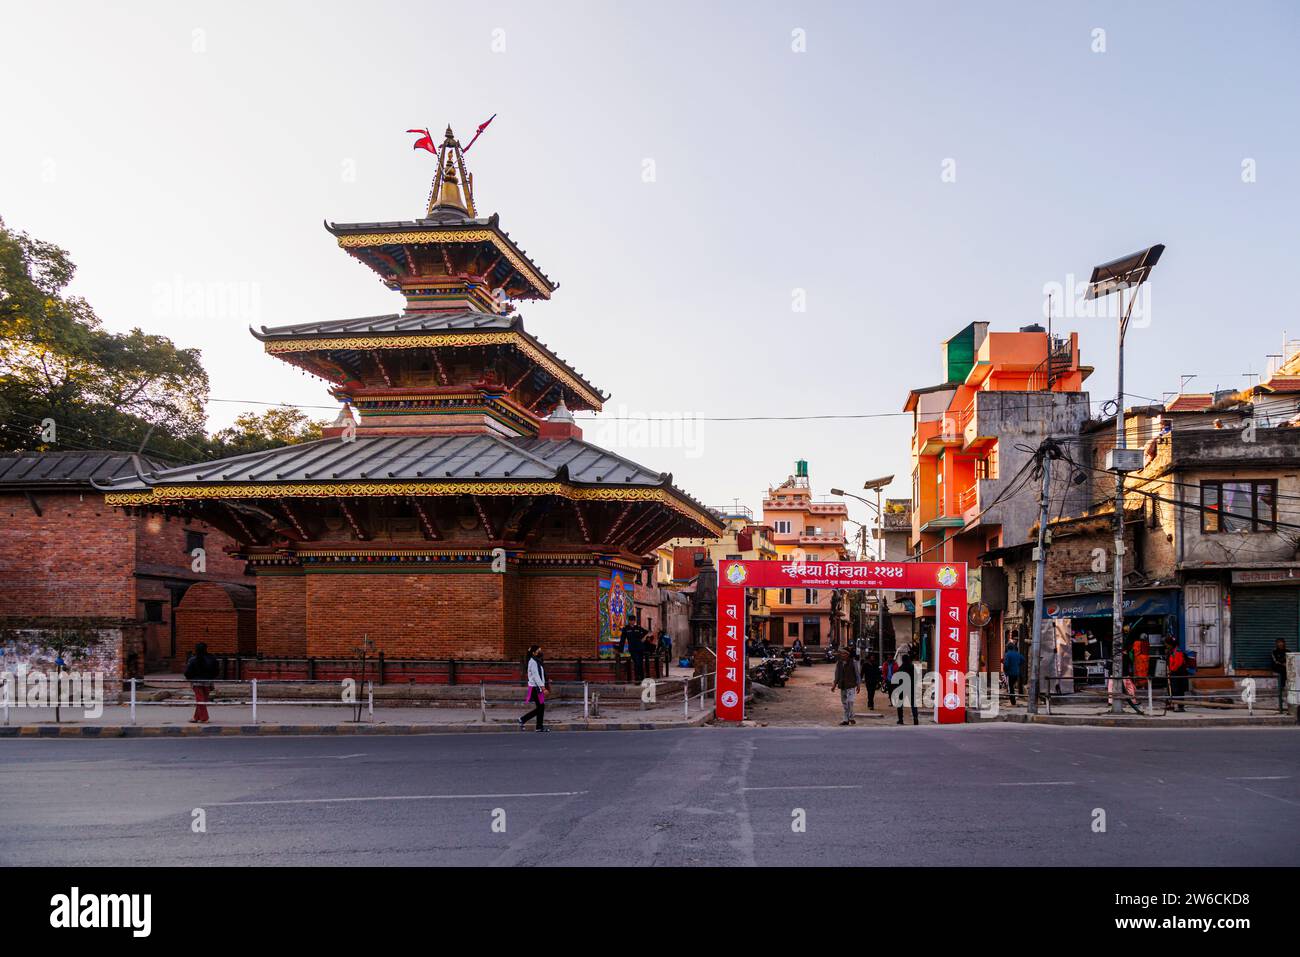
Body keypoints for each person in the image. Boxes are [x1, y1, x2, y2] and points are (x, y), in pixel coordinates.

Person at [183, 642, 218, 724]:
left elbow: (188, 672)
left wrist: (190, 678)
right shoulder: (212, 658)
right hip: (208, 682)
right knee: (202, 700)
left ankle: (204, 718)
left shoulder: (193, 659)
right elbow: (216, 671)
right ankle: (196, 717)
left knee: (200, 700)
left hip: (196, 682)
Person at [518, 645, 551, 731]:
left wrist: (546, 680)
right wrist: (543, 688)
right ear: (533, 653)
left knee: (541, 707)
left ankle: (539, 727)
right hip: (535, 688)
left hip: (538, 687)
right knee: (541, 707)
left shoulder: (537, 661)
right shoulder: (532, 662)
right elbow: (536, 676)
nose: (541, 652)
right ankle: (523, 719)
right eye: (539, 650)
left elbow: (540, 675)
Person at [831, 648, 860, 725]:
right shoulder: (839, 663)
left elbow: (857, 674)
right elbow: (837, 675)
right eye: (842, 653)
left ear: (848, 654)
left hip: (851, 685)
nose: (842, 655)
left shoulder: (853, 662)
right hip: (842, 685)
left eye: (844, 653)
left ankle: (850, 717)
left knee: (850, 702)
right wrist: (834, 685)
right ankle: (846, 720)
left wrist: (858, 685)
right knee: (844, 703)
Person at [893, 647, 919, 725]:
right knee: (913, 704)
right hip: (911, 688)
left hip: (902, 688)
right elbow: (916, 677)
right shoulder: (912, 667)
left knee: (900, 704)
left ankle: (900, 719)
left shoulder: (901, 668)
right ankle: (915, 719)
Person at [1164, 637, 1189, 713]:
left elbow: (1178, 664)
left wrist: (1171, 671)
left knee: (1178, 690)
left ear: (1171, 644)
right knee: (1172, 689)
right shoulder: (1171, 651)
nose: (1166, 645)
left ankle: (1180, 706)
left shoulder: (1178, 651)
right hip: (1173, 674)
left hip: (1179, 674)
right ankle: (1172, 704)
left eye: (1167, 644)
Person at [1002, 640, 1025, 707]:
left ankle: (1013, 702)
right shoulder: (1017, 653)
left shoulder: (1008, 654)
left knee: (1010, 687)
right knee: (1012, 686)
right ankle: (1013, 701)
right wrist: (1018, 664)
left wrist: (1005, 671)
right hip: (1016, 673)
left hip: (1010, 673)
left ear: (1007, 648)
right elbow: (1023, 659)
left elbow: (1006, 664)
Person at [1271, 638, 1290, 713]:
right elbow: (1275, 660)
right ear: (1276, 644)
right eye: (1278, 643)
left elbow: (1290, 659)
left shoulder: (1288, 651)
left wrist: (1286, 664)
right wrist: (1283, 663)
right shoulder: (1274, 652)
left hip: (1285, 667)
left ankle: (1283, 686)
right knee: (1282, 671)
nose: (1280, 644)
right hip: (1277, 667)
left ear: (1284, 643)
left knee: (1285, 671)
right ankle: (1282, 686)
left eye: (1281, 642)